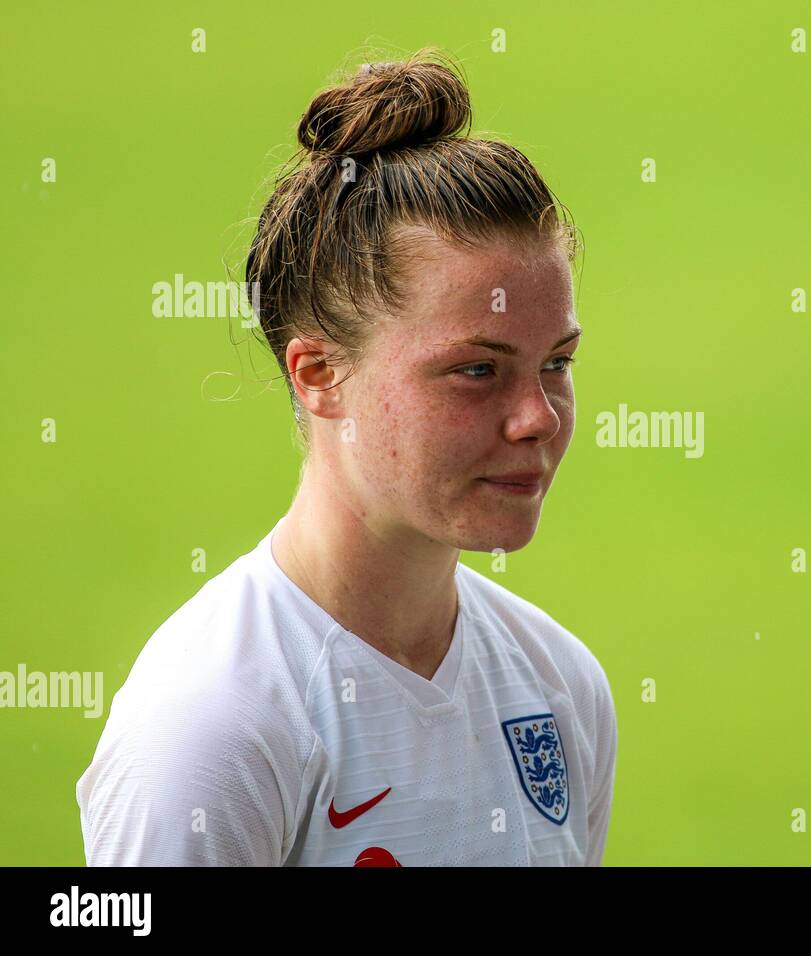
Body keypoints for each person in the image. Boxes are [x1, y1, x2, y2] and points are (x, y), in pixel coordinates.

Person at [75, 47, 616, 866]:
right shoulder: (215, 726)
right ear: (321, 375)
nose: (537, 418)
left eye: (557, 364)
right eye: (478, 370)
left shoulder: (559, 685)